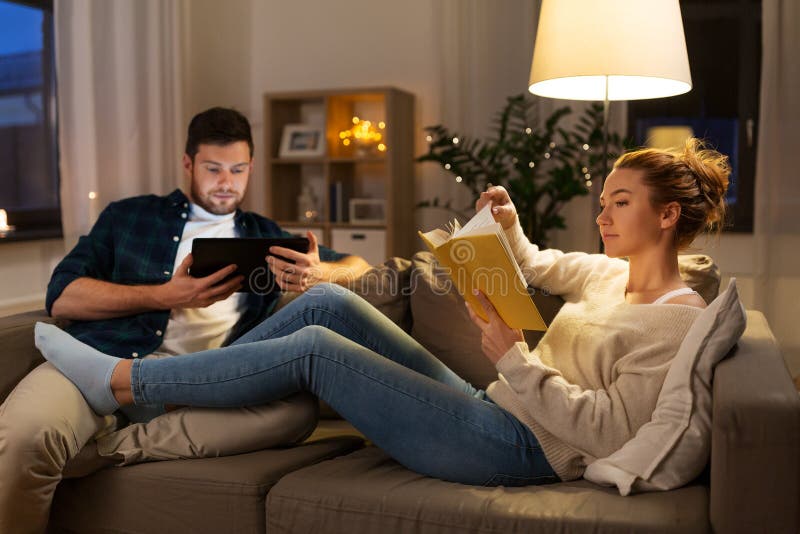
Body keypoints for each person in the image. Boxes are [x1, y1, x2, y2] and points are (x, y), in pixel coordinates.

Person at [35, 138, 729, 488]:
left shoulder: (676, 323)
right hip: (501, 404)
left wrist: (513, 356)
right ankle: (155, 388)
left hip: (528, 451)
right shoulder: (609, 274)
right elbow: (541, 264)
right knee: (329, 302)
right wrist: (506, 225)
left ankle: (123, 383)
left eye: (620, 203)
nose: (602, 214)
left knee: (316, 351)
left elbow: (608, 432)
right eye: (603, 199)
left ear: (667, 217)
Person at [0, 107, 372, 533]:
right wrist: (166, 295)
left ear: (250, 167)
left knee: (296, 413)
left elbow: (361, 266)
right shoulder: (130, 217)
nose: (226, 183)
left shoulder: (263, 236)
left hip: (198, 387)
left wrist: (317, 273)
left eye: (238, 169)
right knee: (26, 437)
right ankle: (102, 419)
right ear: (188, 164)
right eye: (213, 169)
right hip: (95, 362)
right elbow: (62, 297)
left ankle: (100, 451)